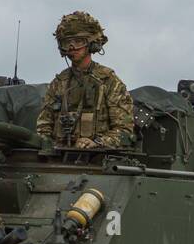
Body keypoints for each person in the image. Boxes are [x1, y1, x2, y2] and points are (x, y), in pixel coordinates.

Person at [34, 11, 135, 148]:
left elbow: (124, 131)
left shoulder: (108, 81)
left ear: (92, 44)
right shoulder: (58, 84)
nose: (72, 48)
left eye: (78, 41)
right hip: (59, 160)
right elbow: (43, 127)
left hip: (98, 161)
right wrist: (49, 144)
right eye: (67, 43)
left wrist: (97, 143)